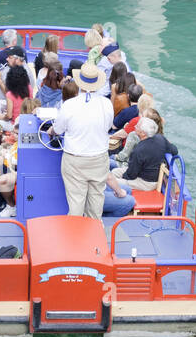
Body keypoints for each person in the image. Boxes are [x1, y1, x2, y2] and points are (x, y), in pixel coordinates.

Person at [49, 62, 134, 219]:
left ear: (79, 82)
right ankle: (94, 230)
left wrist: (51, 131)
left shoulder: (69, 105)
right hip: (99, 158)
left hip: (75, 160)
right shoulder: (106, 104)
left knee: (76, 202)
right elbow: (107, 127)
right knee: (96, 202)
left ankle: (75, 231)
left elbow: (58, 129)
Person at [121, 116, 178, 190]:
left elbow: (131, 175)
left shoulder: (138, 150)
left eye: (137, 126)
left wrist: (123, 177)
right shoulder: (161, 138)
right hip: (156, 178)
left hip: (146, 183)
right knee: (115, 172)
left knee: (114, 181)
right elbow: (175, 151)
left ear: (143, 133)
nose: (135, 126)